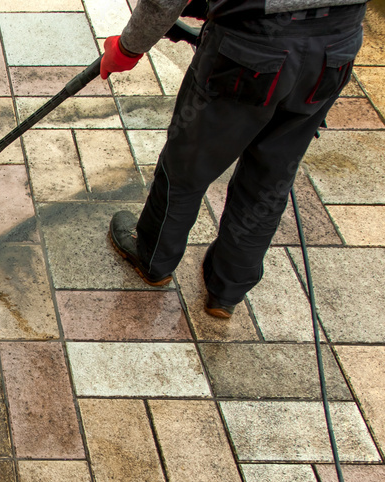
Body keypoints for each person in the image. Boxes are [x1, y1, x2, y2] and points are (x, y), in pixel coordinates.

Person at [100, 0, 366, 317]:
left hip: (250, 50)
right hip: (335, 50)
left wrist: (129, 48)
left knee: (187, 166)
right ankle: (227, 289)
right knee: (270, 178)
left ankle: (153, 257)